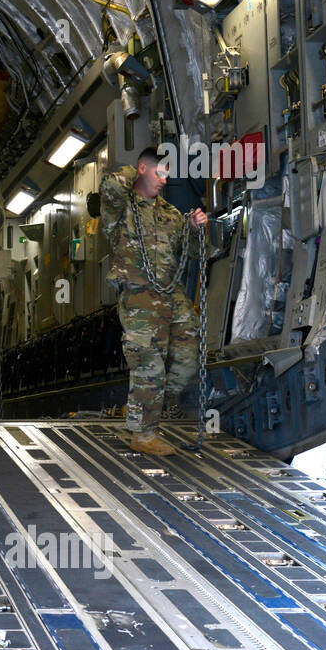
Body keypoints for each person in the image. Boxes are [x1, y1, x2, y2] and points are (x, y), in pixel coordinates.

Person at [99, 146, 208, 456]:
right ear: (143, 169)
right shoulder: (119, 209)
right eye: (160, 171)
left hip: (170, 295)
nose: (165, 179)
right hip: (139, 297)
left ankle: (141, 409)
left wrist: (197, 229)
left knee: (188, 362)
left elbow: (199, 254)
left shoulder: (172, 215)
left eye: (168, 173)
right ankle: (143, 434)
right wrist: (138, 168)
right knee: (149, 365)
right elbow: (110, 186)